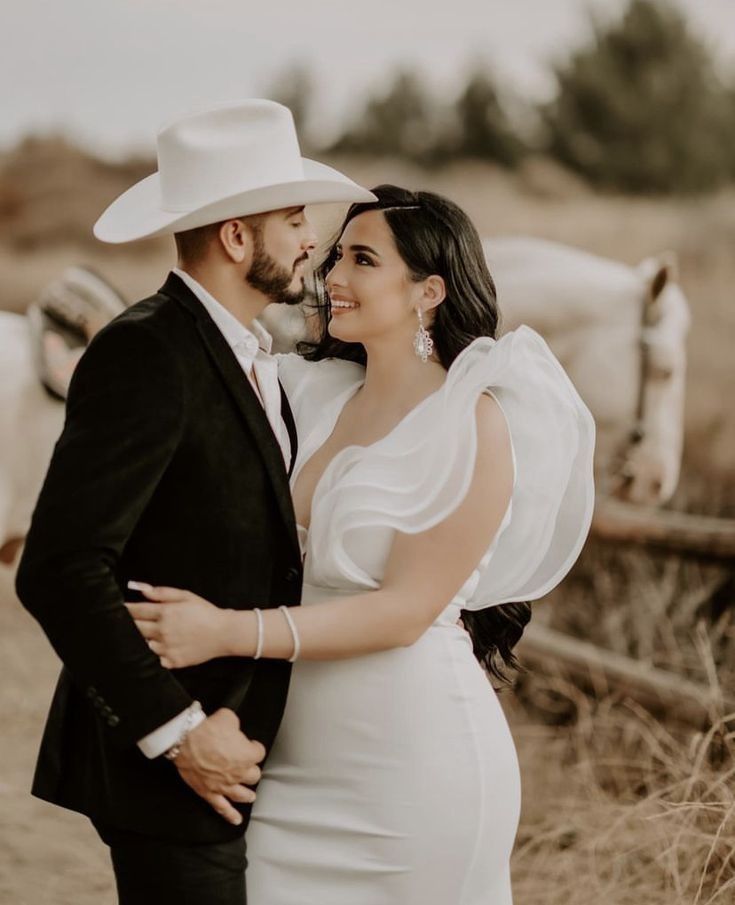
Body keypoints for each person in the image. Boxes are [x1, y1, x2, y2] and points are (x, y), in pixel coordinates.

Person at [125, 184, 597, 904]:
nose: (332, 278)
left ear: (427, 290)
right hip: (285, 765)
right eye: (337, 255)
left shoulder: (471, 420)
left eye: (363, 260)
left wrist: (224, 631)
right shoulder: (308, 394)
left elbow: (404, 610)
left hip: (411, 771)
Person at [14, 99, 376, 905]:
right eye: (293, 220)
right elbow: (60, 567)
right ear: (236, 237)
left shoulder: (255, 354)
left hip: (245, 751)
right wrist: (179, 734)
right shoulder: (147, 350)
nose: (311, 240)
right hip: (177, 764)